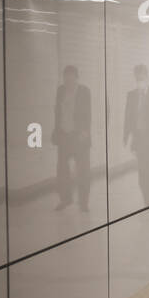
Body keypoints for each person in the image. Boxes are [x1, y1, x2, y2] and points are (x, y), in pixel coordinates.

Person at [123, 63, 149, 205]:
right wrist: (126, 136)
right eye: (137, 78)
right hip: (139, 139)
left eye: (142, 78)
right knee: (142, 170)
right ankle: (147, 198)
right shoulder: (131, 95)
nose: (140, 81)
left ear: (147, 77)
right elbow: (128, 117)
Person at [54, 64, 92, 211]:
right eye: (65, 78)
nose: (68, 81)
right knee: (62, 170)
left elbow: (87, 113)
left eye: (71, 78)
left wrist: (85, 131)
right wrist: (56, 131)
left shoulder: (84, 91)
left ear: (76, 78)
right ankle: (66, 199)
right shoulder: (60, 90)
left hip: (79, 136)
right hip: (64, 135)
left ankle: (83, 202)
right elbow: (57, 112)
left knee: (83, 170)